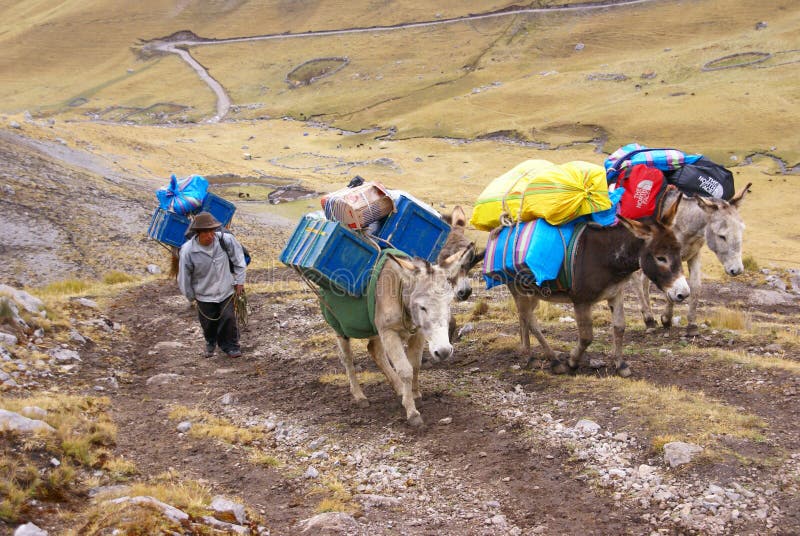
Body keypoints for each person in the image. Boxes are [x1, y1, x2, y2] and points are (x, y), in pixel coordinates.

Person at [177, 212, 247, 358]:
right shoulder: (188, 251)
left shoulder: (225, 240)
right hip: (203, 293)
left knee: (228, 318)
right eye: (206, 233)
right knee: (208, 322)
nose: (210, 236)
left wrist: (239, 281)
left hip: (226, 289)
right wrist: (190, 296)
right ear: (197, 233)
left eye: (212, 231)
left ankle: (231, 346)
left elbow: (239, 260)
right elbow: (184, 276)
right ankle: (210, 341)